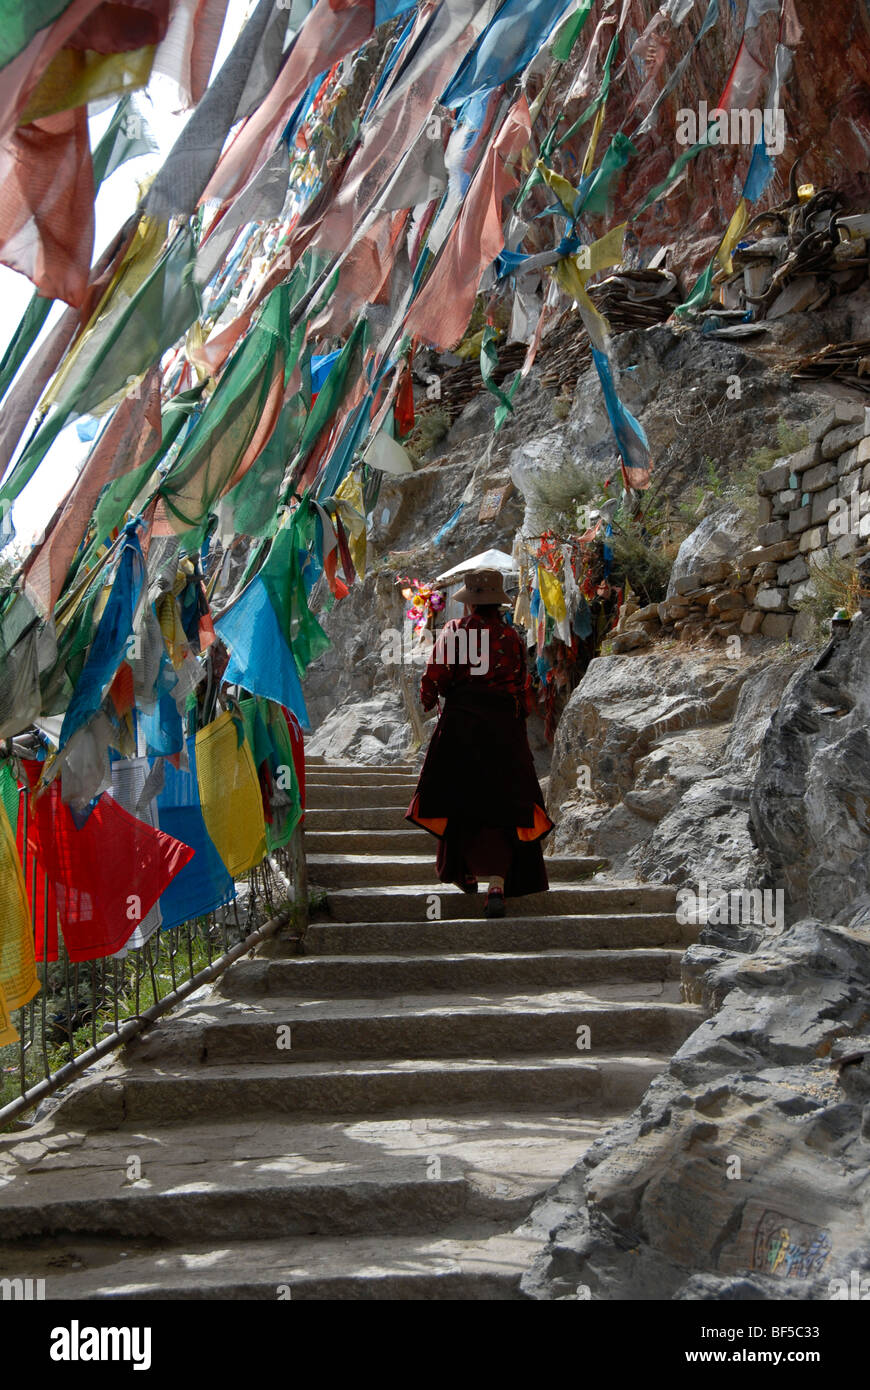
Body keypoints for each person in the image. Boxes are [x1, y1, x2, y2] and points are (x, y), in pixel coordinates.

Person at [405, 568, 553, 918]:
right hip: (504, 730)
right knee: (505, 802)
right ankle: (497, 884)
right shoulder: (512, 636)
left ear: (470, 602)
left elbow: (435, 674)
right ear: (497, 603)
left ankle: (467, 870)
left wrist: (430, 697)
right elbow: (521, 683)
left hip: (463, 727)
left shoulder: (456, 630)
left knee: (460, 797)